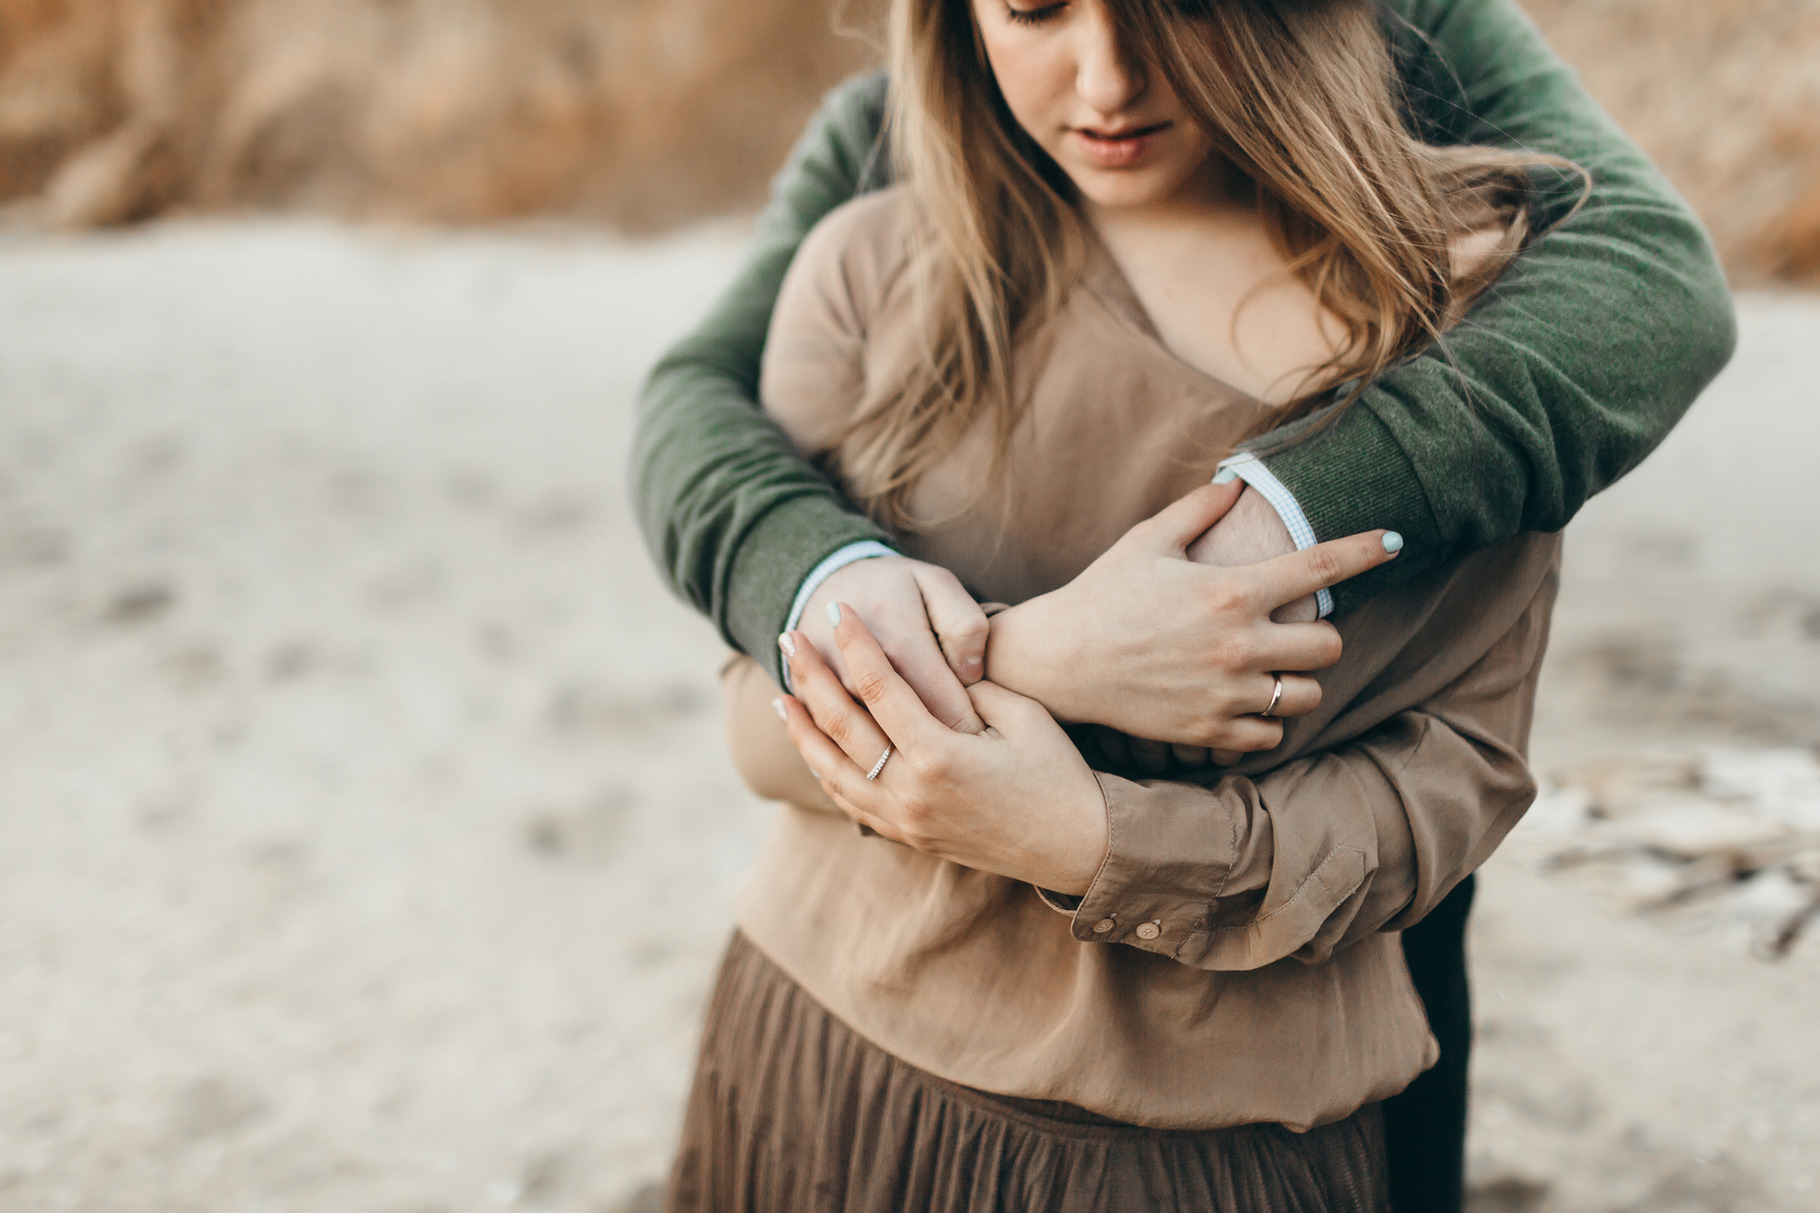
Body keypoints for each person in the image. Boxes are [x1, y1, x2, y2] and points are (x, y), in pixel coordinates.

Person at [634, 2, 1734, 1209]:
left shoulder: (1467, 348)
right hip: (819, 1040)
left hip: (1208, 1137)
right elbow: (750, 691)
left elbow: (1433, 794)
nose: (1109, 79)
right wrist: (1041, 654)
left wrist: (1089, 836)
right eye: (1036, 5)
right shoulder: (874, 249)